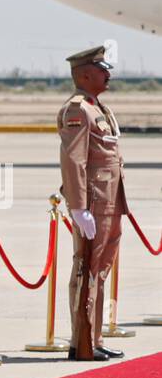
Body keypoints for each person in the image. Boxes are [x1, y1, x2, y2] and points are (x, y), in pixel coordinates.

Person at [60, 45, 127, 361]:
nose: (108, 74)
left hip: (110, 200)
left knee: (100, 270)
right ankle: (82, 339)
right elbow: (74, 161)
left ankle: (94, 336)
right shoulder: (78, 110)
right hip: (94, 202)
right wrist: (79, 206)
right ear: (86, 74)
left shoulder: (99, 108)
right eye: (102, 69)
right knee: (87, 269)